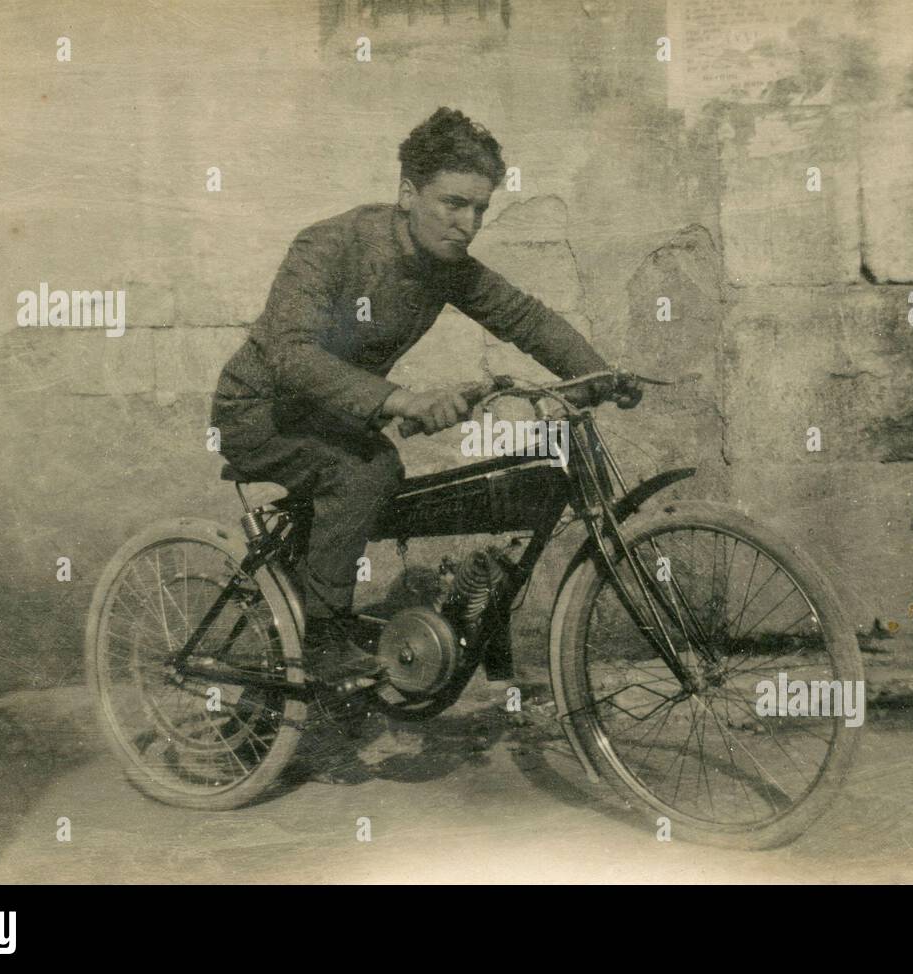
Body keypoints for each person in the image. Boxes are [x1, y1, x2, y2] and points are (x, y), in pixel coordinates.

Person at [210, 106, 641, 686]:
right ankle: (324, 639)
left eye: (481, 209)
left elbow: (524, 317)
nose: (468, 223)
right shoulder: (329, 245)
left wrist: (597, 374)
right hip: (260, 411)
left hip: (332, 416)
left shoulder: (448, 266)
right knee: (369, 471)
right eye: (454, 203)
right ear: (408, 193)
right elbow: (292, 354)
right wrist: (402, 400)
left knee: (386, 481)